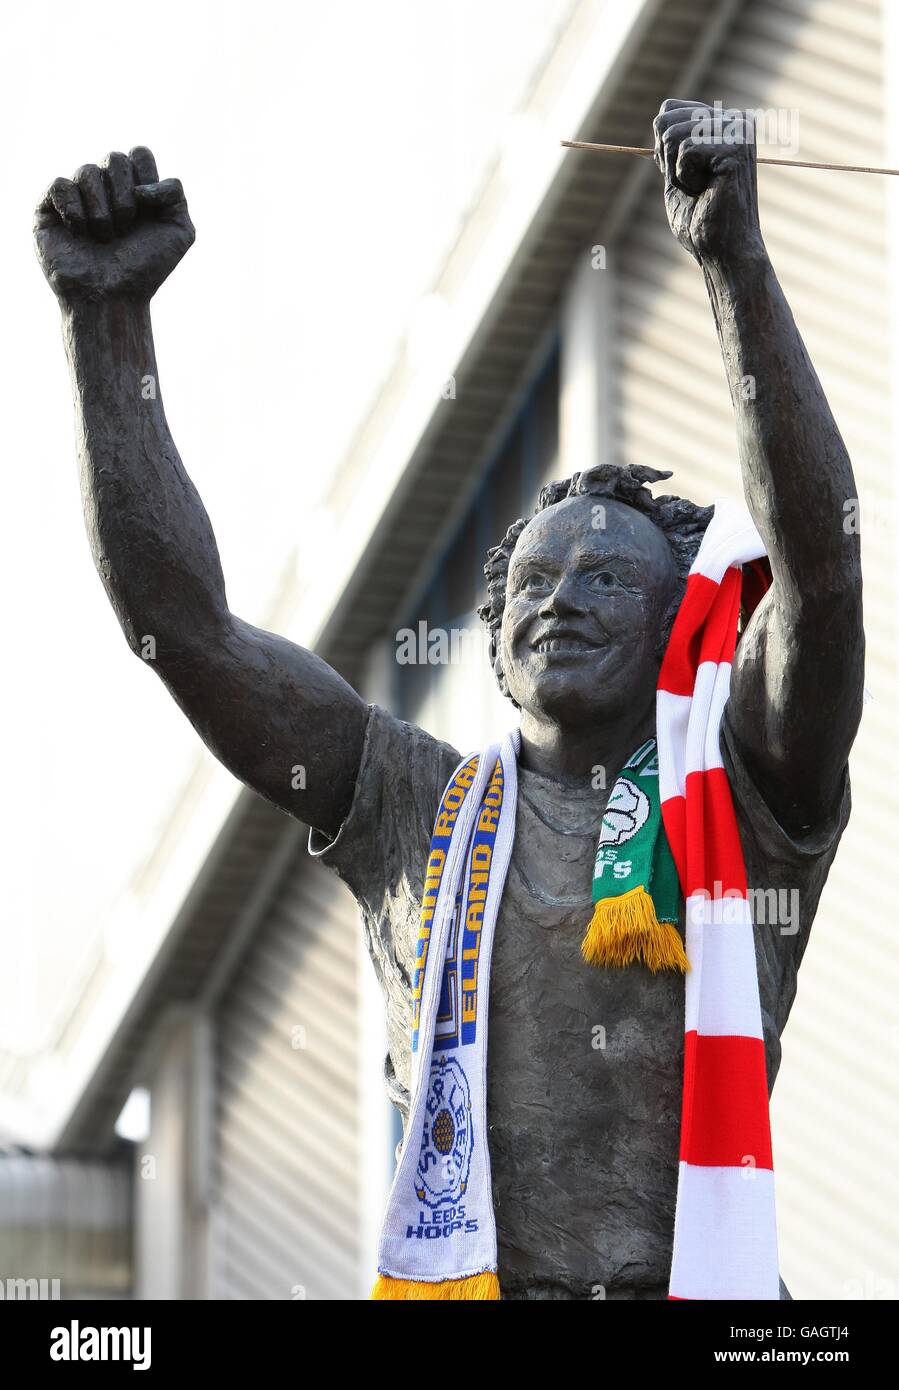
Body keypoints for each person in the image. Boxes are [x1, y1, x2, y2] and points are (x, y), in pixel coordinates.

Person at [34, 100, 864, 1299]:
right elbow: (190, 635)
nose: (559, 599)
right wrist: (108, 335)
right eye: (532, 579)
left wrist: (733, 261)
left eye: (604, 578)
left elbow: (820, 579)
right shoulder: (412, 809)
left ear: (678, 620)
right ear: (490, 638)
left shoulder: (739, 791)